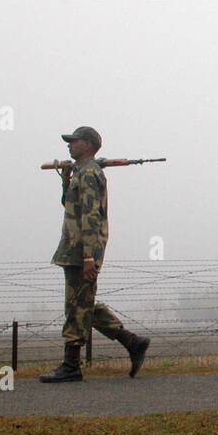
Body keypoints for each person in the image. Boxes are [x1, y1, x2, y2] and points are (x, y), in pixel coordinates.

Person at [41, 126, 150, 383]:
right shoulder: (82, 171)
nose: (69, 145)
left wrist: (88, 255)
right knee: (83, 303)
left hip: (81, 250)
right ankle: (133, 343)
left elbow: (90, 216)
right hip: (74, 248)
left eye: (74, 141)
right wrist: (66, 179)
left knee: (76, 306)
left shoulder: (90, 173)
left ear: (88, 145)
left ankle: (71, 366)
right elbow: (71, 205)